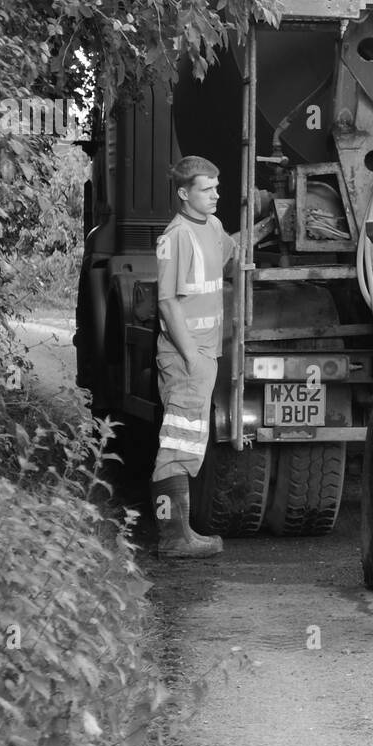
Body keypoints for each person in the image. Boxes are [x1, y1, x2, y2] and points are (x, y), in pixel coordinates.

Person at [151, 156, 237, 559]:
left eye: (217, 187)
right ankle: (173, 537)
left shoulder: (214, 227)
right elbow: (167, 302)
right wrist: (190, 357)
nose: (216, 194)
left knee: (189, 441)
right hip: (187, 356)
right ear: (185, 193)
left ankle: (182, 532)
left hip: (206, 354)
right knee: (176, 444)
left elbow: (232, 254)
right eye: (207, 188)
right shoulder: (176, 236)